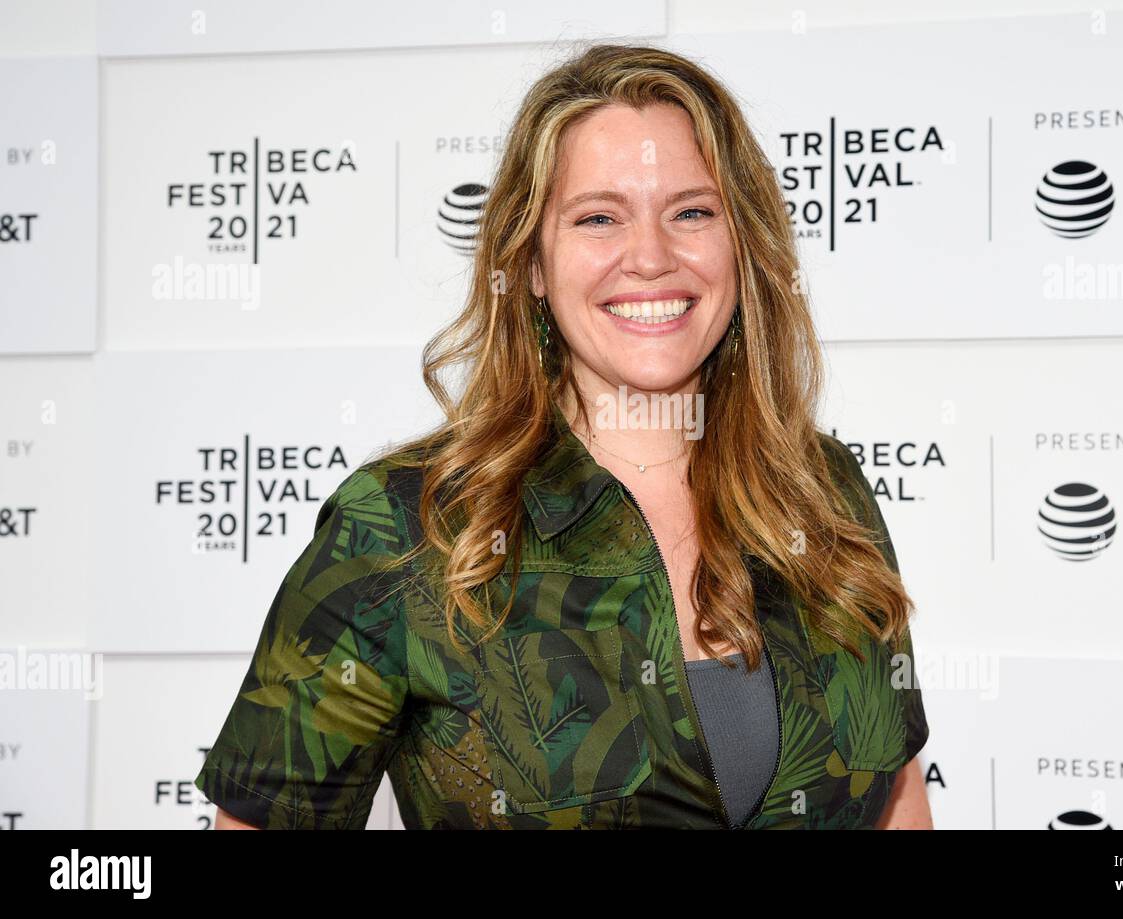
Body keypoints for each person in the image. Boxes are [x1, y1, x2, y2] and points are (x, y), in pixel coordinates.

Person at [196, 41, 931, 830]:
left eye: (691, 211)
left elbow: (897, 800)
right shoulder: (404, 526)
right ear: (533, 264)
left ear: (743, 243)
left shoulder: (820, 490)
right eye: (598, 218)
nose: (650, 257)